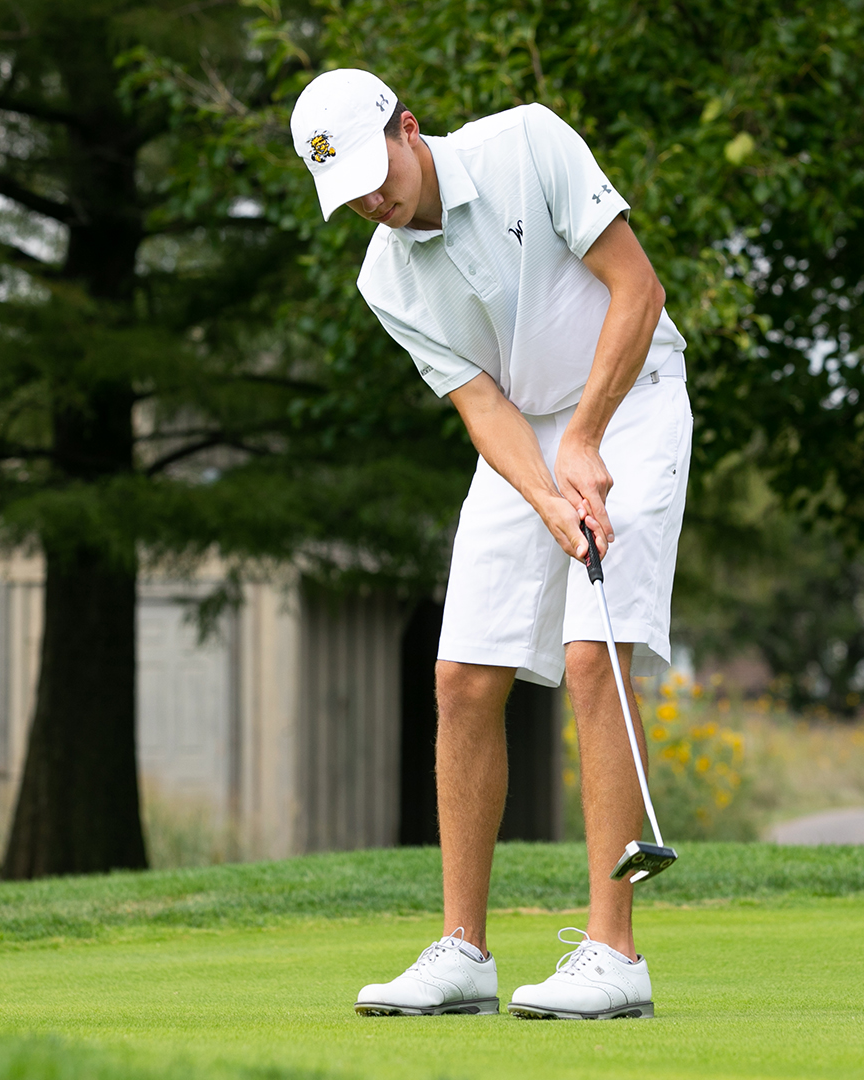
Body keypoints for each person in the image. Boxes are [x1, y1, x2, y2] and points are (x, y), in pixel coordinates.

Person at [290, 69, 691, 1020]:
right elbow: (482, 406)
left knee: (593, 656)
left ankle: (615, 953)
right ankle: (464, 951)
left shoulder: (527, 143)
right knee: (463, 677)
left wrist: (585, 438)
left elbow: (638, 290)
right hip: (523, 433)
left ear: (409, 129)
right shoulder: (384, 277)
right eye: (347, 194)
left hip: (632, 397)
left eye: (374, 176)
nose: (370, 204)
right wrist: (549, 496)